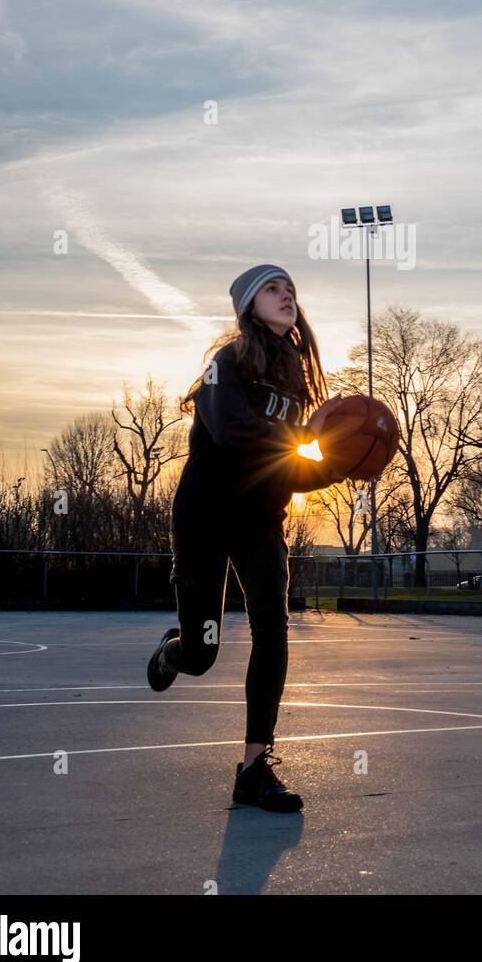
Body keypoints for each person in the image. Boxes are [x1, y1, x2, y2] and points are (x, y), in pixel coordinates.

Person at [146, 264, 346, 813]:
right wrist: (307, 452)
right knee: (203, 653)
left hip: (260, 519)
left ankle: (255, 769)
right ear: (248, 306)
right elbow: (236, 435)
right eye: (272, 289)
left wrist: (340, 464)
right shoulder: (226, 364)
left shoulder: (295, 379)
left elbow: (289, 466)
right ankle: (174, 652)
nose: (286, 296)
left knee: (273, 631)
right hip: (206, 516)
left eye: (291, 290)